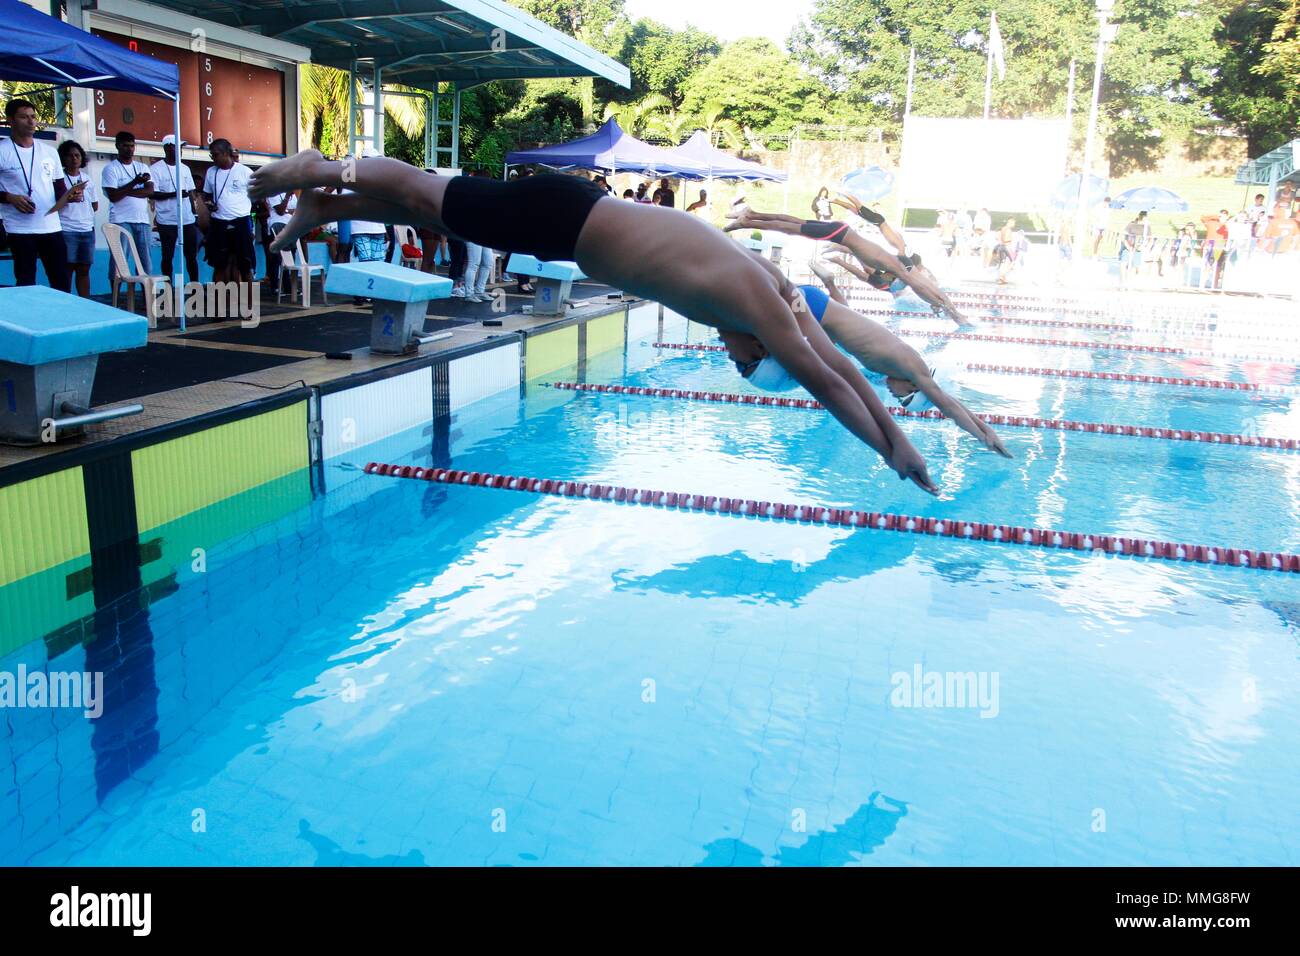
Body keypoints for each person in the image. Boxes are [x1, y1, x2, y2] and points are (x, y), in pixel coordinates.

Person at [250, 150, 940, 494]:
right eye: (745, 362)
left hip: (570, 227)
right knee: (425, 192)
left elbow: (843, 366)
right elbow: (826, 382)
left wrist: (893, 428)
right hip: (565, 218)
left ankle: (328, 208)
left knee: (440, 212)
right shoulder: (757, 307)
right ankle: (326, 168)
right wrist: (893, 450)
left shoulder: (775, 296)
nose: (733, 359)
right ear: (763, 346)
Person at [803, 261, 1010, 457]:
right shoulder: (910, 365)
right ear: (914, 386)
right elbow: (946, 406)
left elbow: (949, 401)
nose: (895, 396)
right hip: (811, 307)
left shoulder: (887, 377)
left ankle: (829, 282)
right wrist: (982, 438)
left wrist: (986, 429)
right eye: (905, 399)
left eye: (901, 402)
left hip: (818, 315)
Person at [724, 205, 971, 327]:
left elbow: (924, 288)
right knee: (788, 227)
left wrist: (943, 305)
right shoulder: (898, 267)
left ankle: (750, 213)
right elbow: (924, 288)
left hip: (840, 233)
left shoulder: (887, 263)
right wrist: (951, 311)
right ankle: (745, 222)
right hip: (840, 232)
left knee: (792, 223)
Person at [0, 100, 70, 292]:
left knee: (61, 279)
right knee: (25, 281)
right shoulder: (2, 150)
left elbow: (59, 187)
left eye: (33, 117)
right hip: (20, 229)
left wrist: (71, 196)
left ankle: (65, 319)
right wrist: (9, 197)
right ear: (11, 120)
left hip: (51, 226)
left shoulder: (49, 152)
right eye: (24, 117)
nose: (31, 122)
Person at [101, 130, 155, 288]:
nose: (129, 149)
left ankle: (146, 298)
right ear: (117, 146)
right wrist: (134, 183)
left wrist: (124, 190)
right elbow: (114, 196)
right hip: (121, 220)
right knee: (119, 260)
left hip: (142, 220)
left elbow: (150, 191)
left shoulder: (142, 166)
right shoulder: (111, 169)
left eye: (132, 146)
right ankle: (115, 297)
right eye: (125, 146)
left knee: (145, 261)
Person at [201, 138, 255, 283]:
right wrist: (208, 203)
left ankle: (248, 303)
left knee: (245, 265)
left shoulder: (244, 171)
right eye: (211, 155)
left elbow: (257, 194)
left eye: (216, 154)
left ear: (226, 153)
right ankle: (219, 302)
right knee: (218, 264)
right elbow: (206, 195)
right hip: (219, 222)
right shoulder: (211, 172)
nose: (213, 158)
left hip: (241, 222)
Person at [150, 134, 200, 285]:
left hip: (187, 219)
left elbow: (191, 192)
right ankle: (168, 287)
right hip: (167, 220)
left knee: (191, 255)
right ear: (167, 148)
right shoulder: (156, 169)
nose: (180, 150)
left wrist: (194, 212)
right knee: (167, 256)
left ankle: (194, 286)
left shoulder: (185, 168)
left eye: (181, 147)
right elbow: (153, 193)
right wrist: (174, 194)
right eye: (177, 146)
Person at [50, 139, 98, 298]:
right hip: (67, 229)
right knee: (67, 269)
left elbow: (95, 205)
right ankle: (66, 302)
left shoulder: (87, 179)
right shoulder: (58, 179)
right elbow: (54, 204)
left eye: (77, 155)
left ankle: (85, 302)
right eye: (69, 156)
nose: (74, 159)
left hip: (87, 229)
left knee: (84, 269)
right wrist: (68, 200)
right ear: (62, 158)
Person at [263, 190, 297, 292]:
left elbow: (295, 209)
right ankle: (275, 285)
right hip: (277, 224)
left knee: (291, 255)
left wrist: (287, 209)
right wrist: (286, 197)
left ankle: (287, 286)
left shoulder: (292, 193)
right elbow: (281, 211)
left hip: (290, 225)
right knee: (277, 257)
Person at [1120, 211, 1148, 284]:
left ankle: (1129, 282)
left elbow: (1149, 239)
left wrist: (1143, 246)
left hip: (1138, 250)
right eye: (1143, 217)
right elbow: (1123, 237)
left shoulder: (1146, 227)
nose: (1144, 219)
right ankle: (1123, 282)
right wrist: (1128, 246)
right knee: (1123, 264)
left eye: (1145, 217)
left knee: (1134, 267)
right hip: (1127, 248)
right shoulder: (1131, 224)